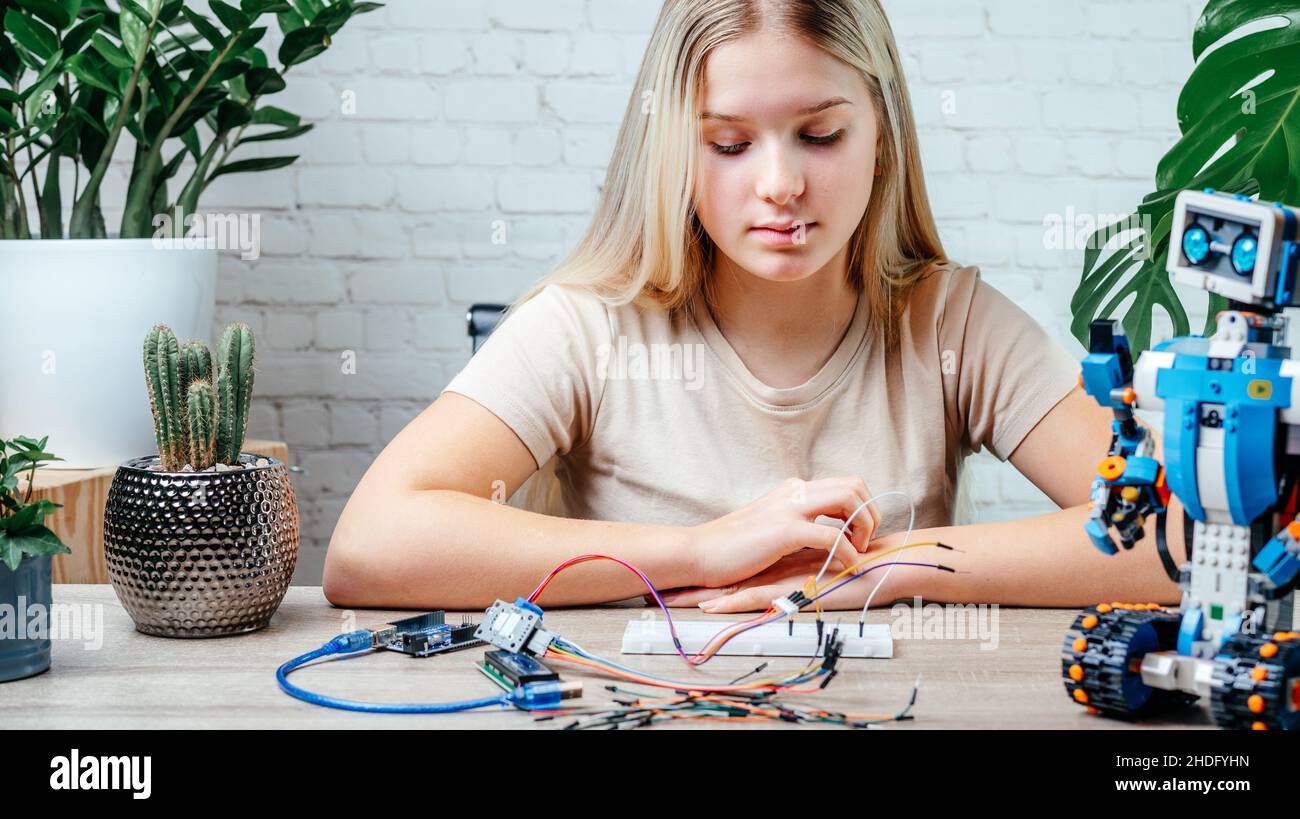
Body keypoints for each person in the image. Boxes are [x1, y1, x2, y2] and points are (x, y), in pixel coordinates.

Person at [324, 0, 1184, 613]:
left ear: (882, 138)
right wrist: (701, 551)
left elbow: (1177, 536)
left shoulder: (950, 321)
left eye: (820, 135)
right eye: (729, 144)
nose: (780, 185)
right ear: (674, 151)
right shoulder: (588, 325)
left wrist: (884, 565)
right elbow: (370, 546)